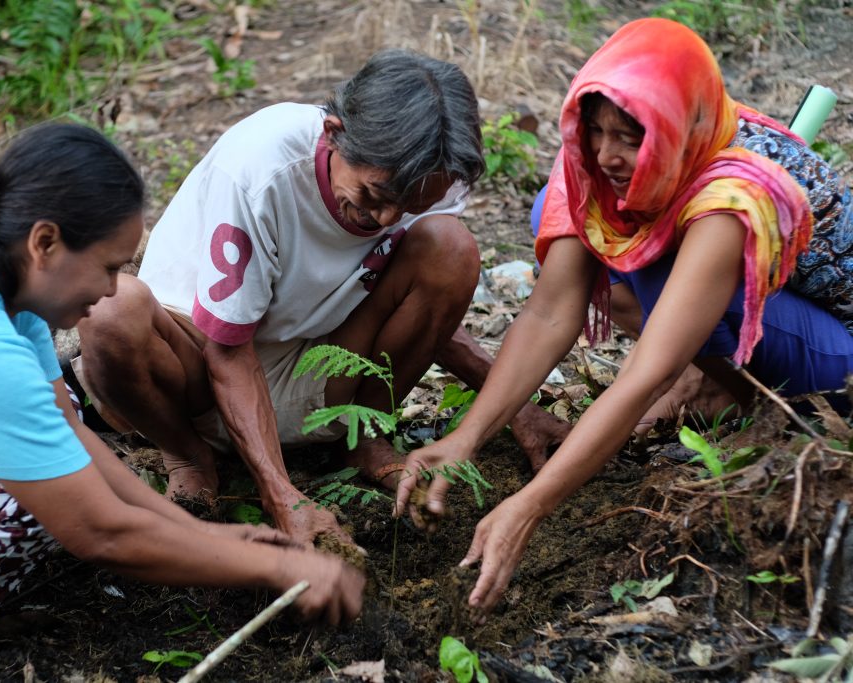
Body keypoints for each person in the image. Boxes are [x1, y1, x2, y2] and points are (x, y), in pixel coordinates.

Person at [0, 124, 364, 682]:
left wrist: (209, 537)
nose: (113, 290)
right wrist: (276, 565)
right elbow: (100, 532)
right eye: (109, 266)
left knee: (41, 461)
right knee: (25, 491)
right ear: (45, 243)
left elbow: (68, 428)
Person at [395, 18, 853, 616]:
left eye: (631, 137)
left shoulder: (729, 197)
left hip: (837, 350)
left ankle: (764, 402)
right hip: (750, 302)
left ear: (677, 127)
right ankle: (715, 379)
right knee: (557, 212)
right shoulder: (597, 161)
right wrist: (466, 437)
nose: (607, 154)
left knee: (662, 276)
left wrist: (529, 506)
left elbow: (644, 375)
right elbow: (549, 313)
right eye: (596, 131)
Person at [75, 49, 568, 547]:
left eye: (407, 207)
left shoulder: (430, 178)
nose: (383, 220)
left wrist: (516, 407)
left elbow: (426, 299)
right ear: (332, 134)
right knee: (112, 310)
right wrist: (282, 497)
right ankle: (187, 453)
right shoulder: (261, 169)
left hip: (317, 366)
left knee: (451, 248)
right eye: (373, 195)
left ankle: (363, 435)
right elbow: (228, 348)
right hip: (196, 367)